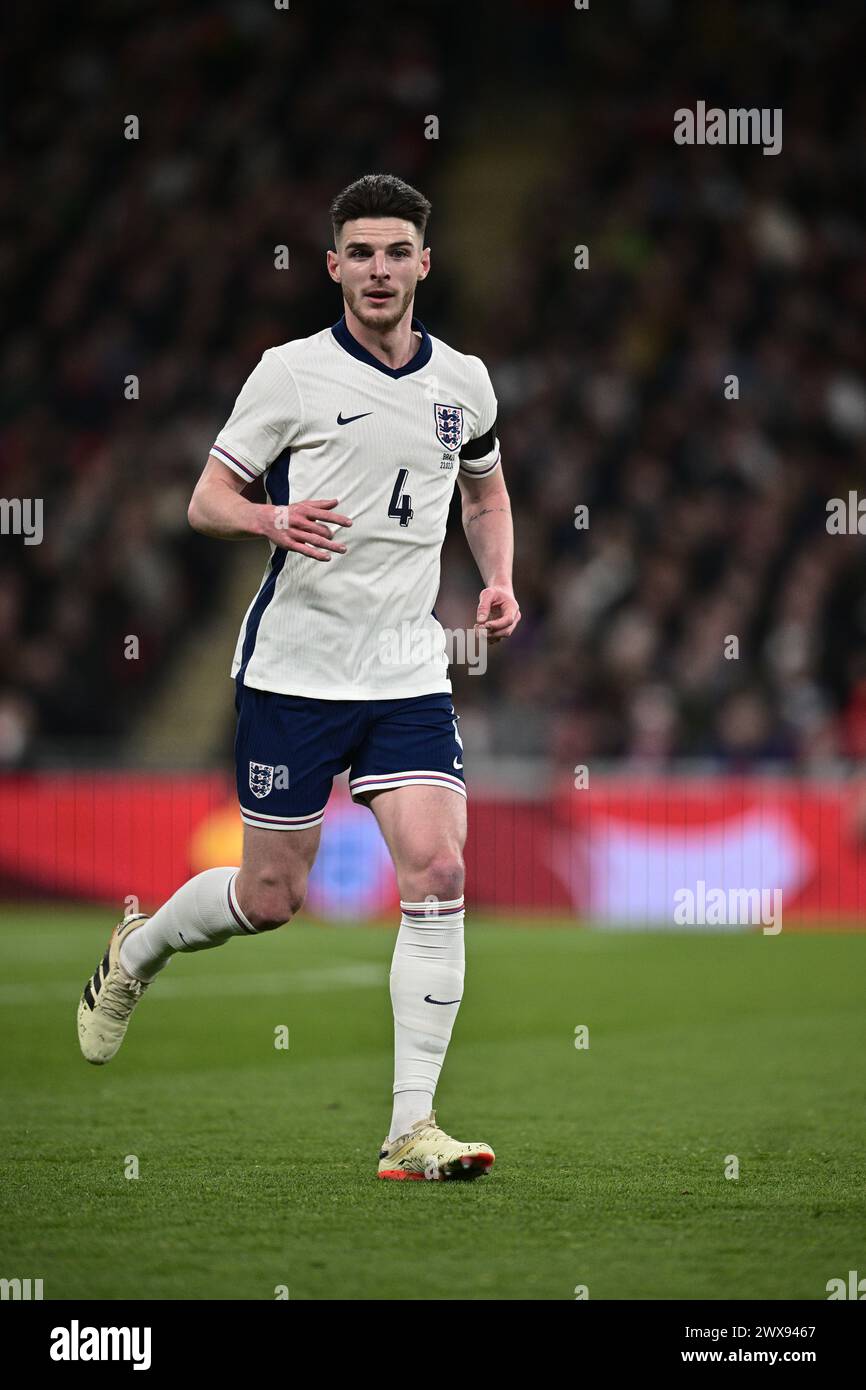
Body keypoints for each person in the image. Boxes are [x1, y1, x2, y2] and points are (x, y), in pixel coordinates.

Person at [77, 173, 521, 1181]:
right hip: (296, 671)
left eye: (394, 251)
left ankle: (412, 1127)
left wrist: (497, 576)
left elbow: (486, 494)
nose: (376, 269)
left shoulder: (465, 382)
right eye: (358, 252)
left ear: (422, 263)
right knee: (271, 895)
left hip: (405, 666)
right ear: (332, 265)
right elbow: (203, 499)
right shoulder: (287, 374)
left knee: (440, 871)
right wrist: (268, 517)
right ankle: (139, 950)